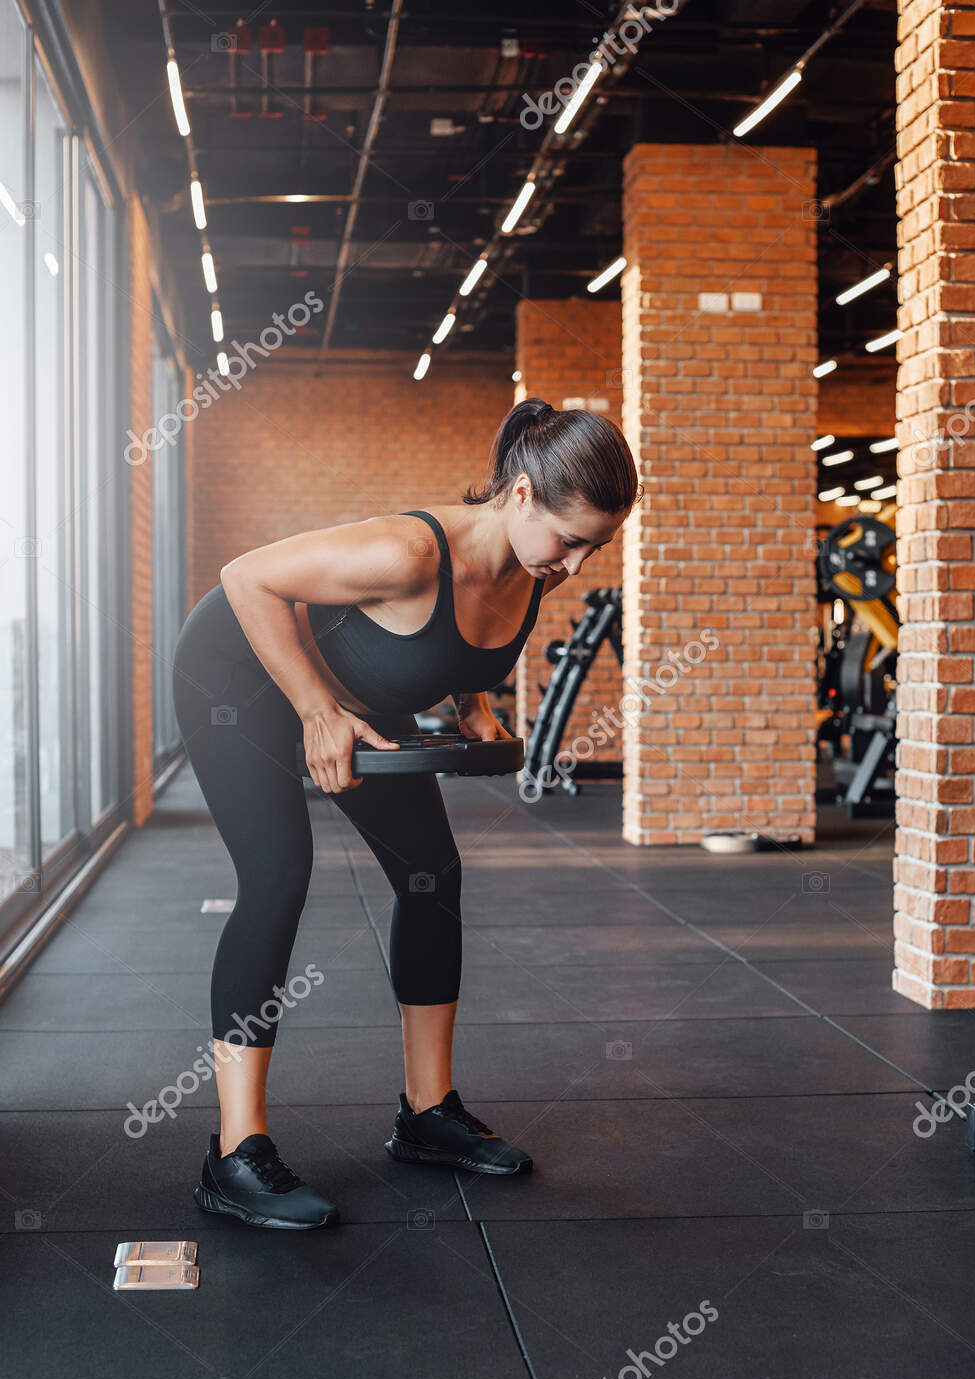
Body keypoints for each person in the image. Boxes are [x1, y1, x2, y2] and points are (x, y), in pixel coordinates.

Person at [171, 397, 640, 1228]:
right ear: (523, 494)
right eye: (570, 540)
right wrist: (317, 710)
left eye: (593, 549)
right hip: (236, 676)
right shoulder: (406, 550)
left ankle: (428, 1113)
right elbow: (246, 576)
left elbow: (456, 644)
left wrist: (472, 705)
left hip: (355, 693)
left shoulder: (528, 569)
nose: (574, 564)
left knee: (433, 876)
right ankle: (235, 1153)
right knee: (279, 877)